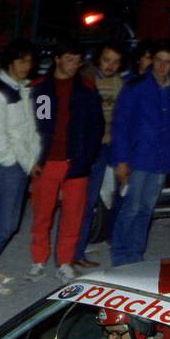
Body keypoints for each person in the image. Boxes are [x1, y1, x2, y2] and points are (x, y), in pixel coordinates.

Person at [27, 40, 104, 282]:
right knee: (42, 214)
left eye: (77, 60)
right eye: (69, 59)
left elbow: (96, 127)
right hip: (48, 162)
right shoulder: (41, 88)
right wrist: (35, 158)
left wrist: (85, 158)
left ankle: (65, 262)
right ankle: (39, 259)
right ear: (58, 59)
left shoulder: (87, 89)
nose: (73, 64)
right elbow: (35, 126)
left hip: (76, 163)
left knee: (73, 215)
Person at [108, 42, 170, 266]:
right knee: (130, 208)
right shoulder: (136, 87)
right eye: (158, 60)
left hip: (161, 161)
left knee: (146, 209)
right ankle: (121, 255)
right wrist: (121, 160)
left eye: (167, 61)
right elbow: (120, 124)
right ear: (152, 61)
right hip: (137, 159)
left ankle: (136, 254)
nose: (161, 65)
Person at [0, 42, 39, 296]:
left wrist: (31, 160)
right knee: (5, 223)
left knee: (7, 220)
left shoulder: (21, 89)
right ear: (10, 63)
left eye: (29, 62)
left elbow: (28, 128)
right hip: (8, 165)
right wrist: (11, 161)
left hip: (22, 164)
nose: (26, 67)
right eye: (21, 61)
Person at [75, 42, 126, 265]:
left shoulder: (120, 84)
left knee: (120, 195)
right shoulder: (86, 81)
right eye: (107, 60)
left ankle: (113, 239)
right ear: (98, 59)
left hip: (111, 146)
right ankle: (76, 252)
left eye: (115, 62)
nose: (110, 65)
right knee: (86, 201)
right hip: (91, 148)